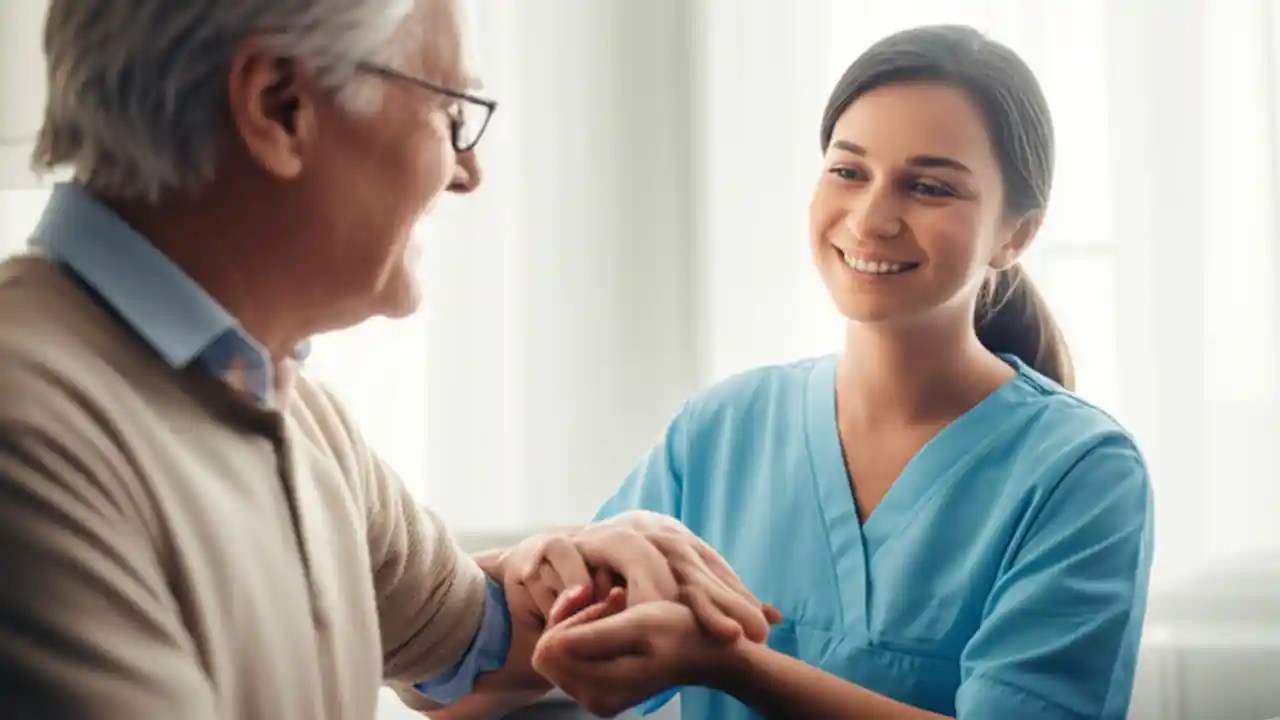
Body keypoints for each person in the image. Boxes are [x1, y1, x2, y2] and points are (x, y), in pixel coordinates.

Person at [0, 1, 774, 718]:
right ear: (280, 107)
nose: (467, 173)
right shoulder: (28, 427)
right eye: (448, 113)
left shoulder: (289, 407)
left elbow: (475, 642)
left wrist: (583, 570)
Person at [517, 25, 1155, 720]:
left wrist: (733, 665)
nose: (873, 217)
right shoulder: (722, 430)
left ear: (1017, 234)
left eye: (930, 187)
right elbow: (494, 671)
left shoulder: (1082, 471)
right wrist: (518, 576)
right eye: (848, 171)